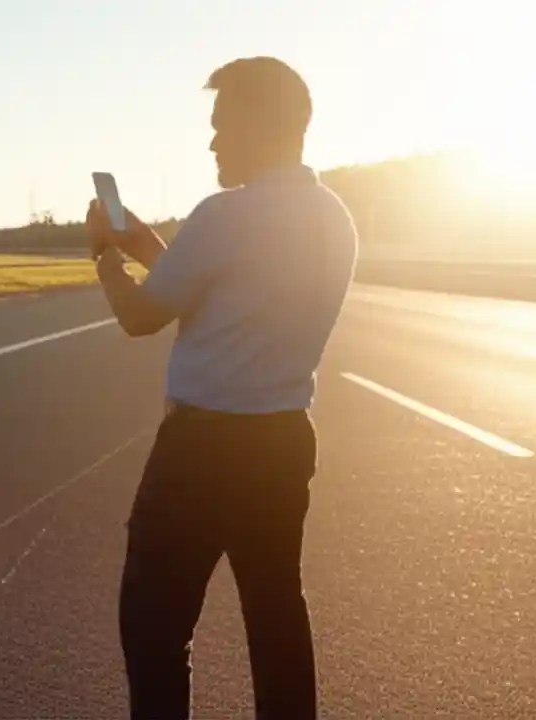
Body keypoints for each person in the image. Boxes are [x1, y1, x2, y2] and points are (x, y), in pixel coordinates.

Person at [86, 56, 358, 719]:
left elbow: (144, 315)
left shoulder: (225, 215)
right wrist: (154, 247)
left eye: (220, 124)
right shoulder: (332, 217)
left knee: (154, 632)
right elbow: (232, 282)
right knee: (276, 619)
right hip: (284, 441)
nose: (211, 141)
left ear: (257, 124)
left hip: (201, 453)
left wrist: (105, 257)